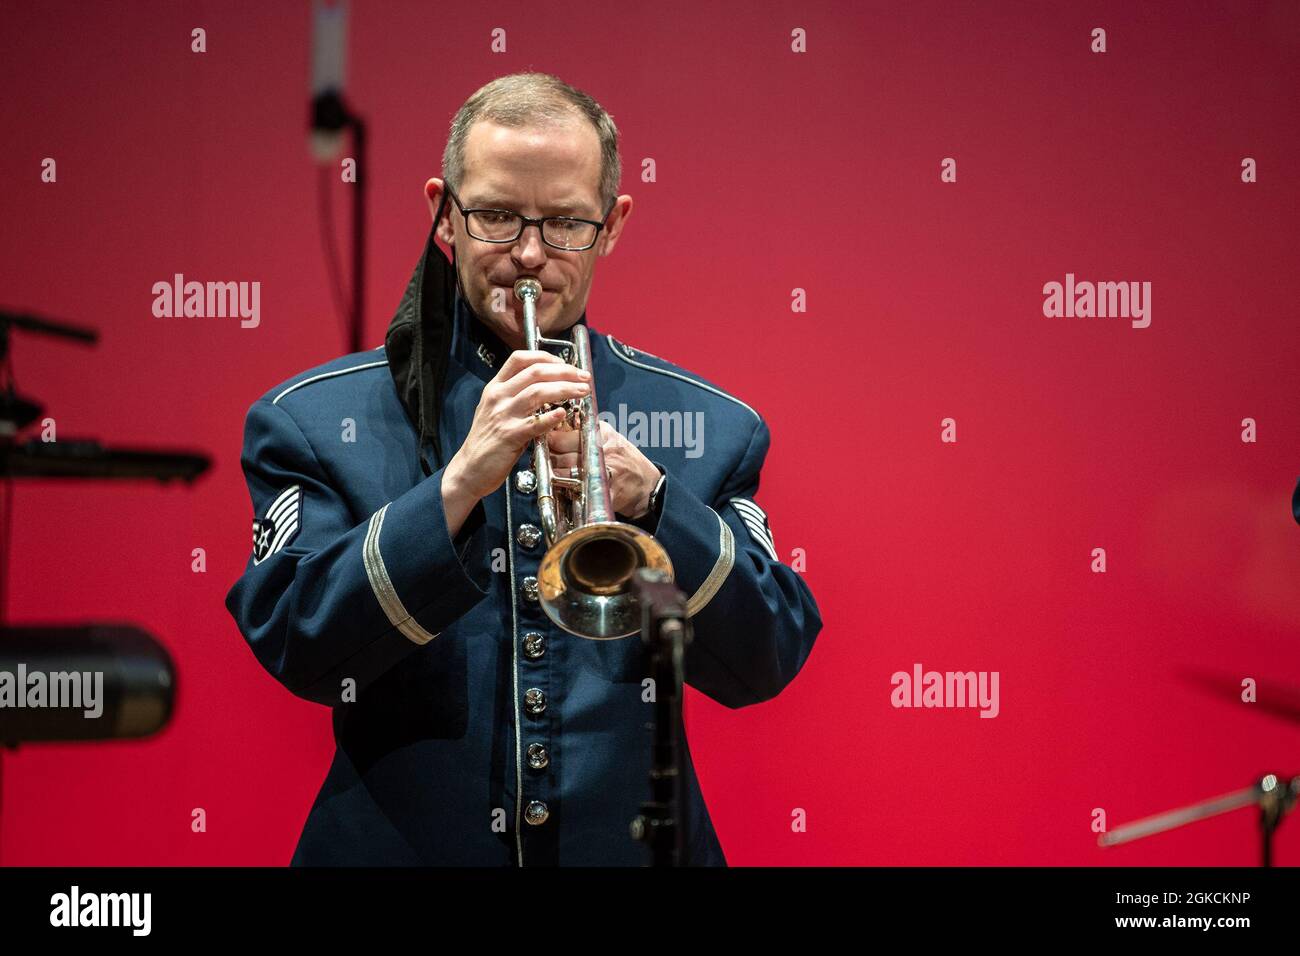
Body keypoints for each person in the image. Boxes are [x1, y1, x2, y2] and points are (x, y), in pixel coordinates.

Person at [225, 72, 822, 866]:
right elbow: (296, 645)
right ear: (444, 214)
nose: (531, 256)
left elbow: (765, 660)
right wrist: (456, 486)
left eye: (567, 222)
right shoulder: (311, 420)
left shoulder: (711, 427)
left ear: (612, 225)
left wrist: (656, 507)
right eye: (498, 217)